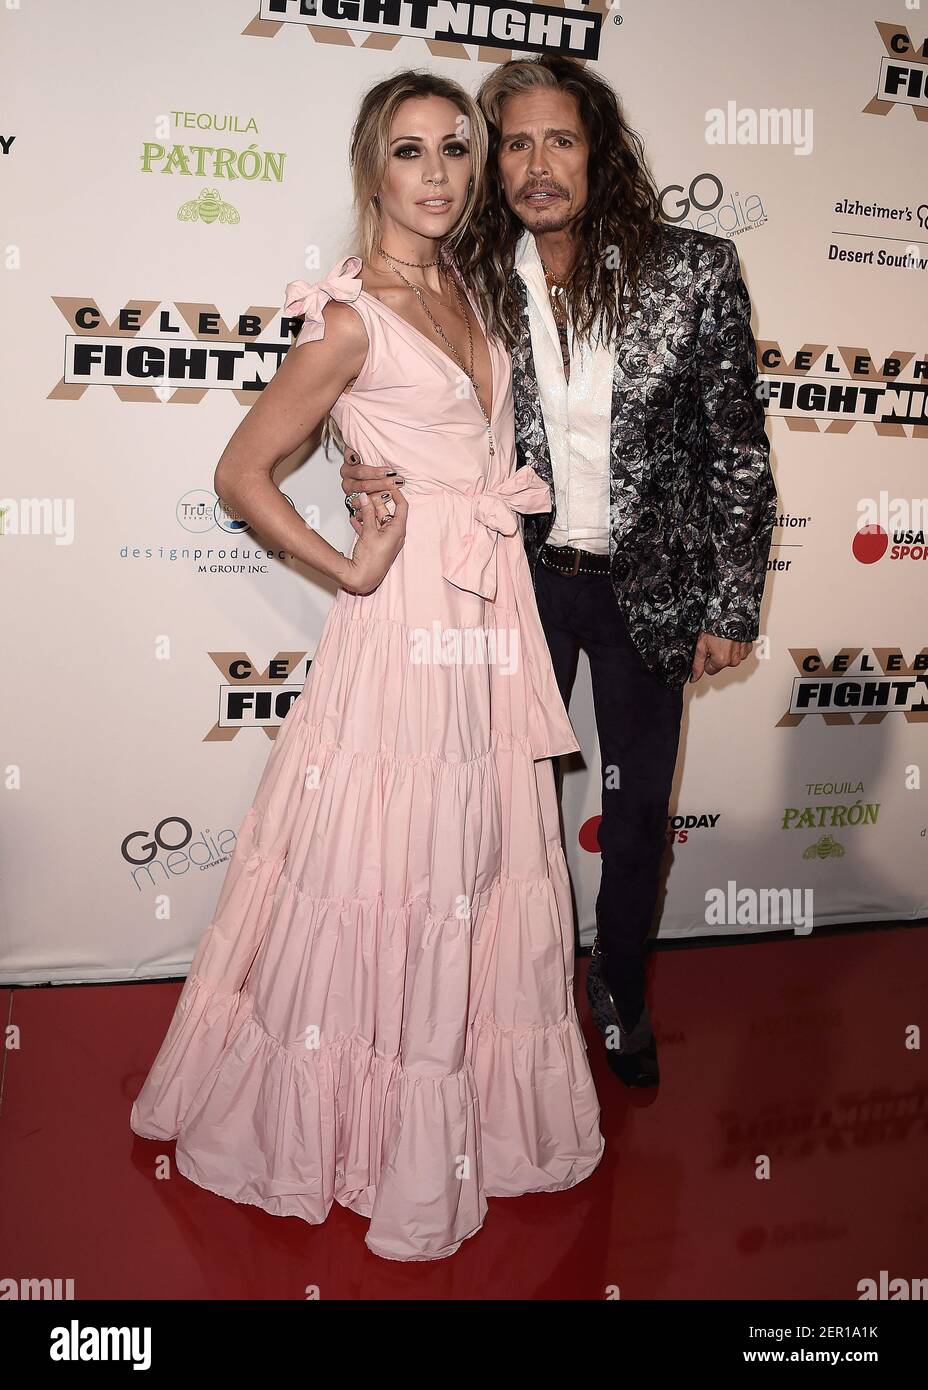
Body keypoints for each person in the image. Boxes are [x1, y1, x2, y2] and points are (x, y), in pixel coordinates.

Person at [129, 69, 604, 1263]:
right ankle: (363, 1133)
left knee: (484, 861)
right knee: (394, 863)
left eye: (457, 148)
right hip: (406, 628)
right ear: (370, 170)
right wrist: (345, 566)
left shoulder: (467, 287)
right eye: (411, 152)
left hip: (485, 614)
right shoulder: (348, 315)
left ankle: (469, 1127)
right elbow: (241, 470)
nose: (439, 173)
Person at [339, 56, 778, 1090]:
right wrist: (353, 457)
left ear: (600, 151)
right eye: (517, 144)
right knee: (496, 805)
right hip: (513, 582)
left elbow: (736, 448)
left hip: (651, 591)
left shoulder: (695, 269)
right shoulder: (471, 277)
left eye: (561, 140)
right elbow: (395, 386)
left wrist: (731, 600)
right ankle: (503, 992)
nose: (539, 166)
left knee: (630, 814)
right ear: (495, 166)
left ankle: (619, 990)